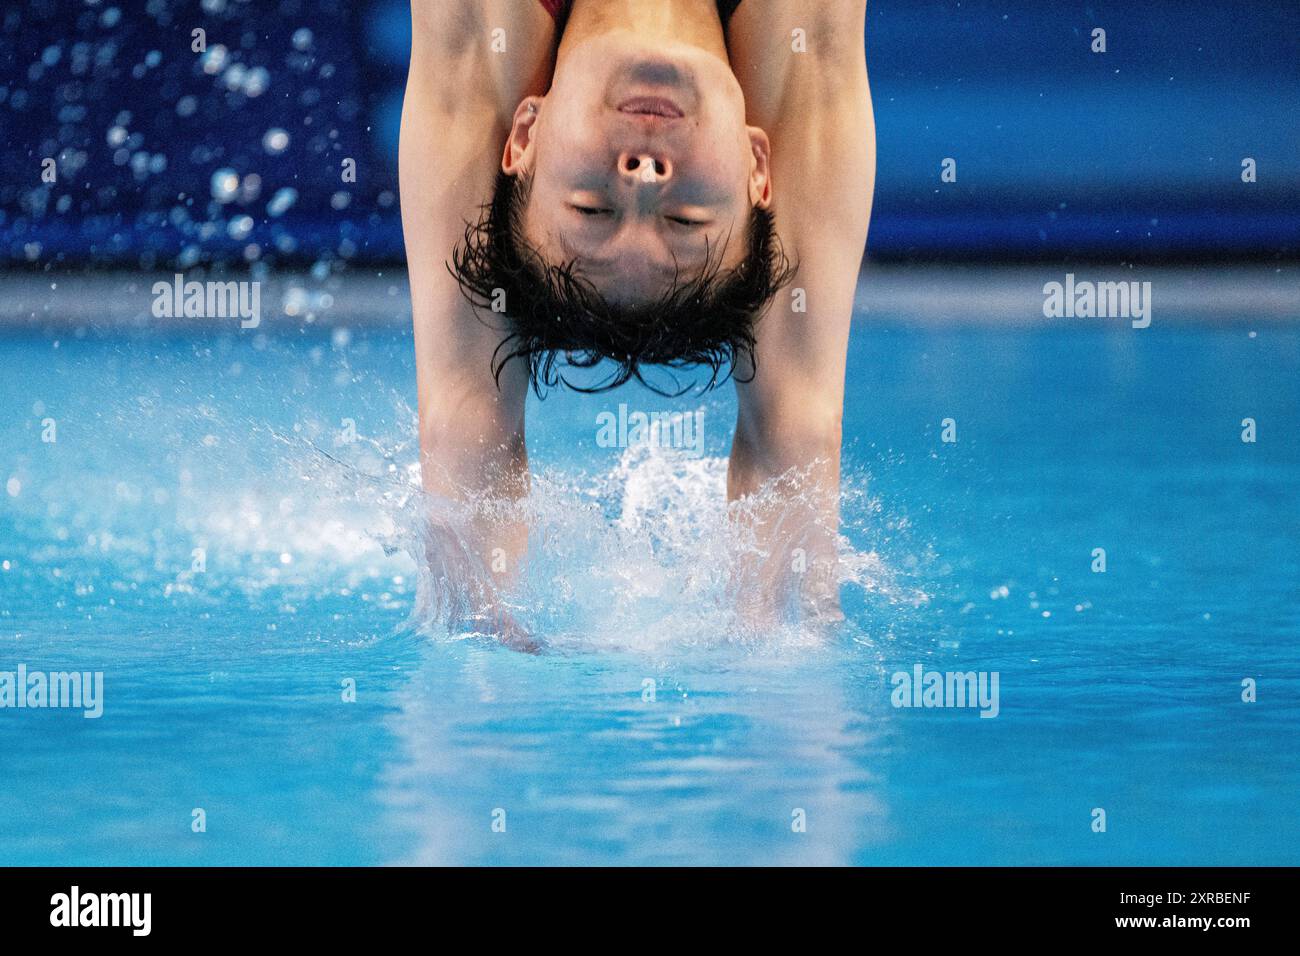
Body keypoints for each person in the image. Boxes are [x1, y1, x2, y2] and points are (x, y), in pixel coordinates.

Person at [400, 0, 874, 639]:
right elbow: (794, 427)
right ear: (758, 166)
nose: (645, 179)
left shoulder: (485, 36)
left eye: (591, 210)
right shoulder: (797, 34)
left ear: (523, 137)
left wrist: (475, 634)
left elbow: (467, 407)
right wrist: (793, 644)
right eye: (686, 221)